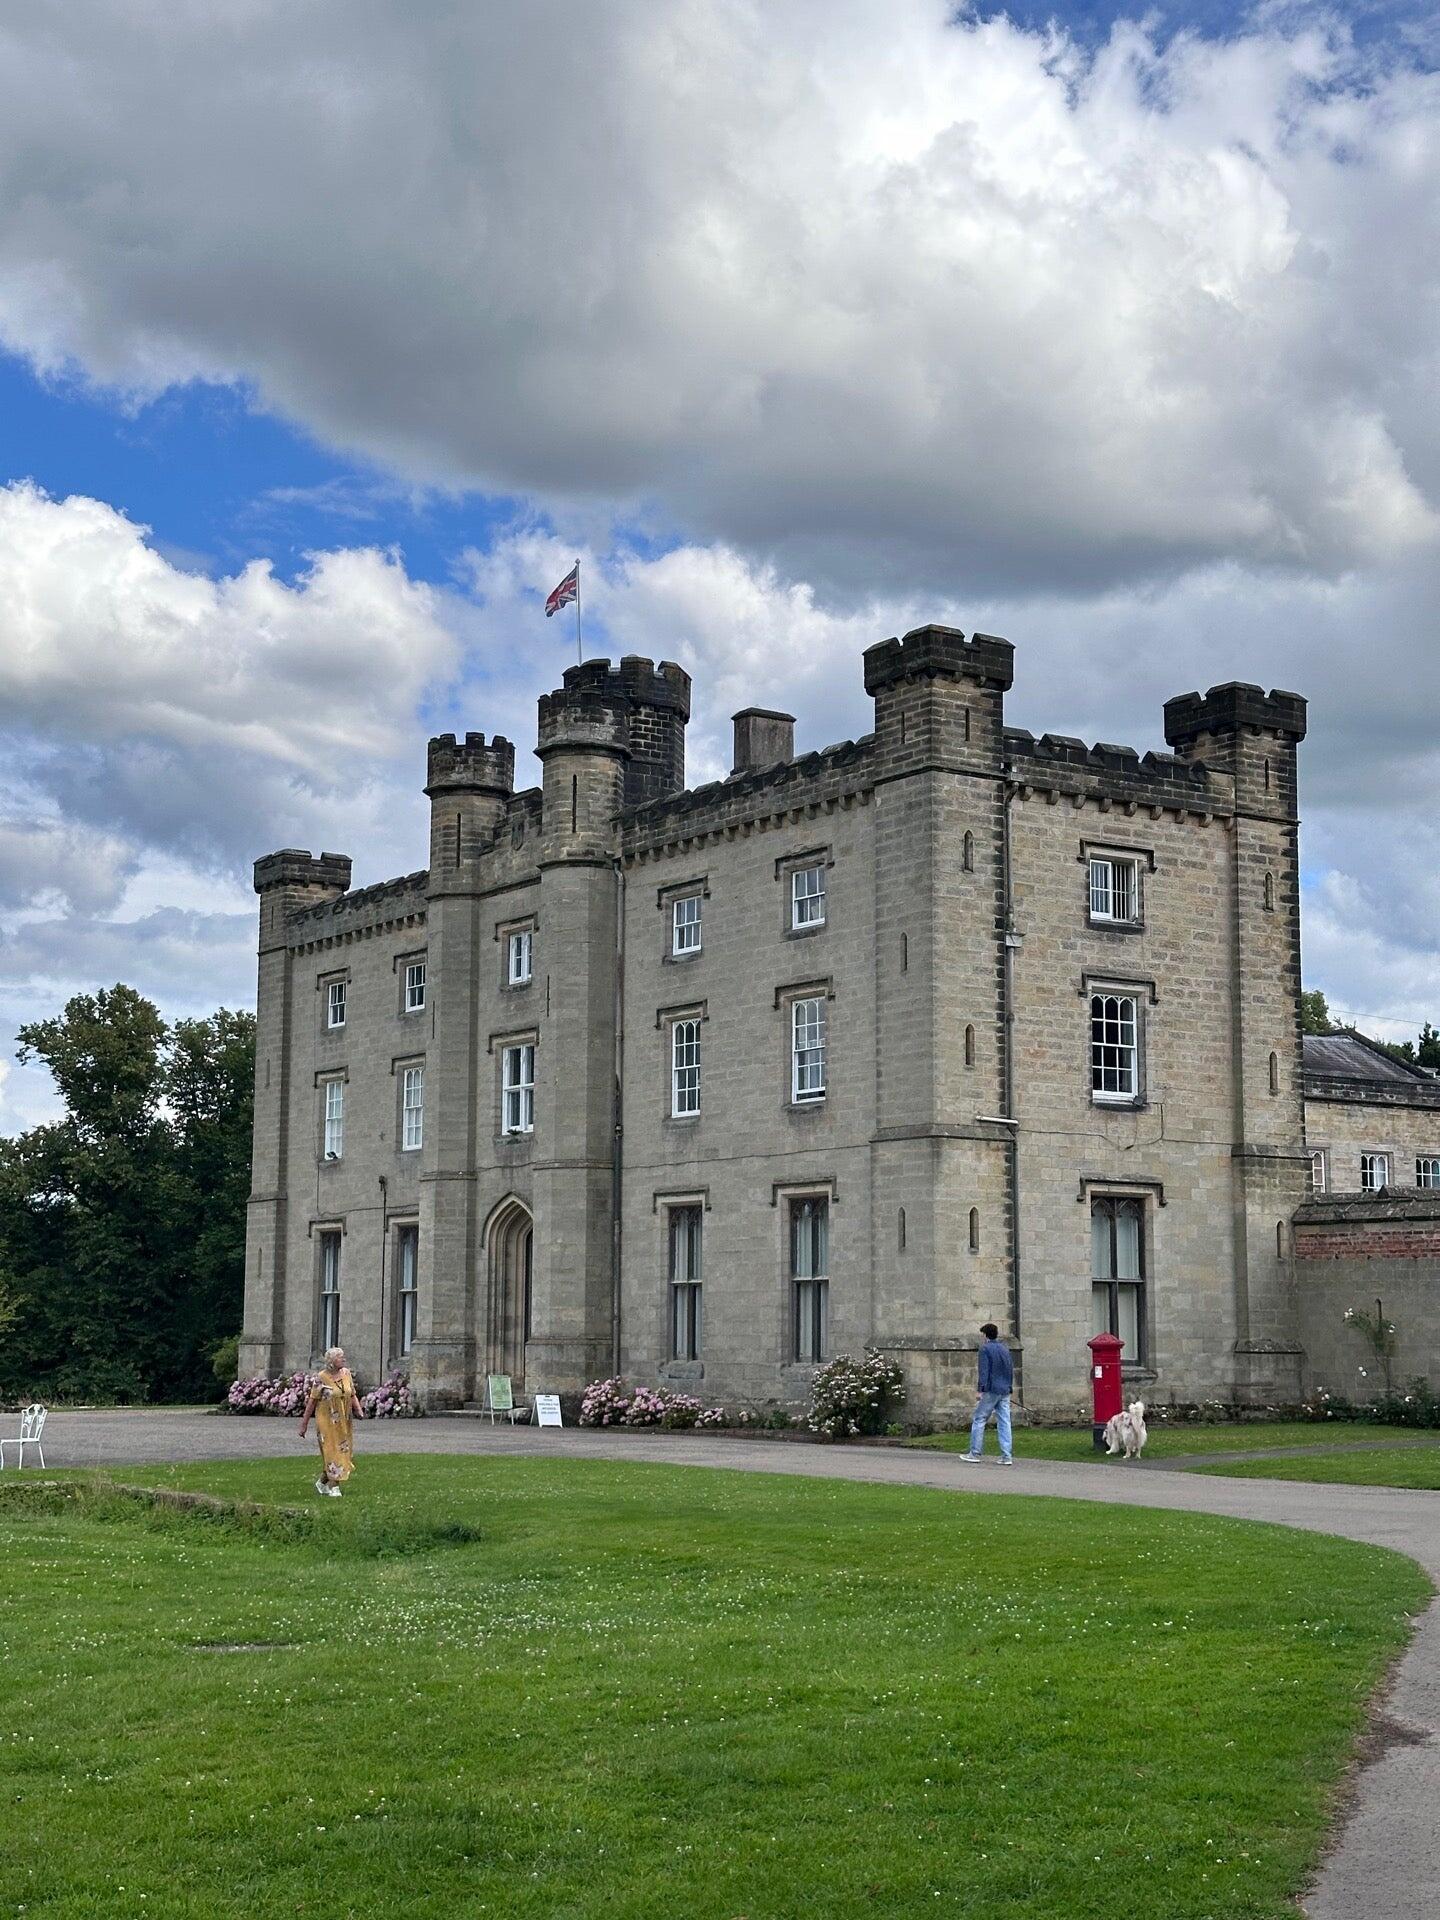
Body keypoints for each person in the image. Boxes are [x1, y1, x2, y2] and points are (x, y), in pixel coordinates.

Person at [298, 1347, 365, 1497]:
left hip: (344, 1420)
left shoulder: (346, 1374)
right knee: (332, 1452)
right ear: (331, 1361)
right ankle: (335, 1487)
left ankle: (322, 1482)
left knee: (343, 1452)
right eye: (340, 1357)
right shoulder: (321, 1377)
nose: (344, 1359)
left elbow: (352, 1394)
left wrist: (359, 1410)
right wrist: (304, 1424)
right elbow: (312, 1401)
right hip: (326, 1421)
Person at [961, 1321, 1014, 1465]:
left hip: (991, 1389)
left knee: (979, 1419)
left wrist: (980, 1390)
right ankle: (1006, 1455)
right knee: (1004, 1421)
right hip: (1004, 1389)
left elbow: (984, 1371)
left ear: (985, 1335)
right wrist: (1009, 1387)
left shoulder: (985, 1349)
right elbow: (1009, 1368)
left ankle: (974, 1453)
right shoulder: (1004, 1348)